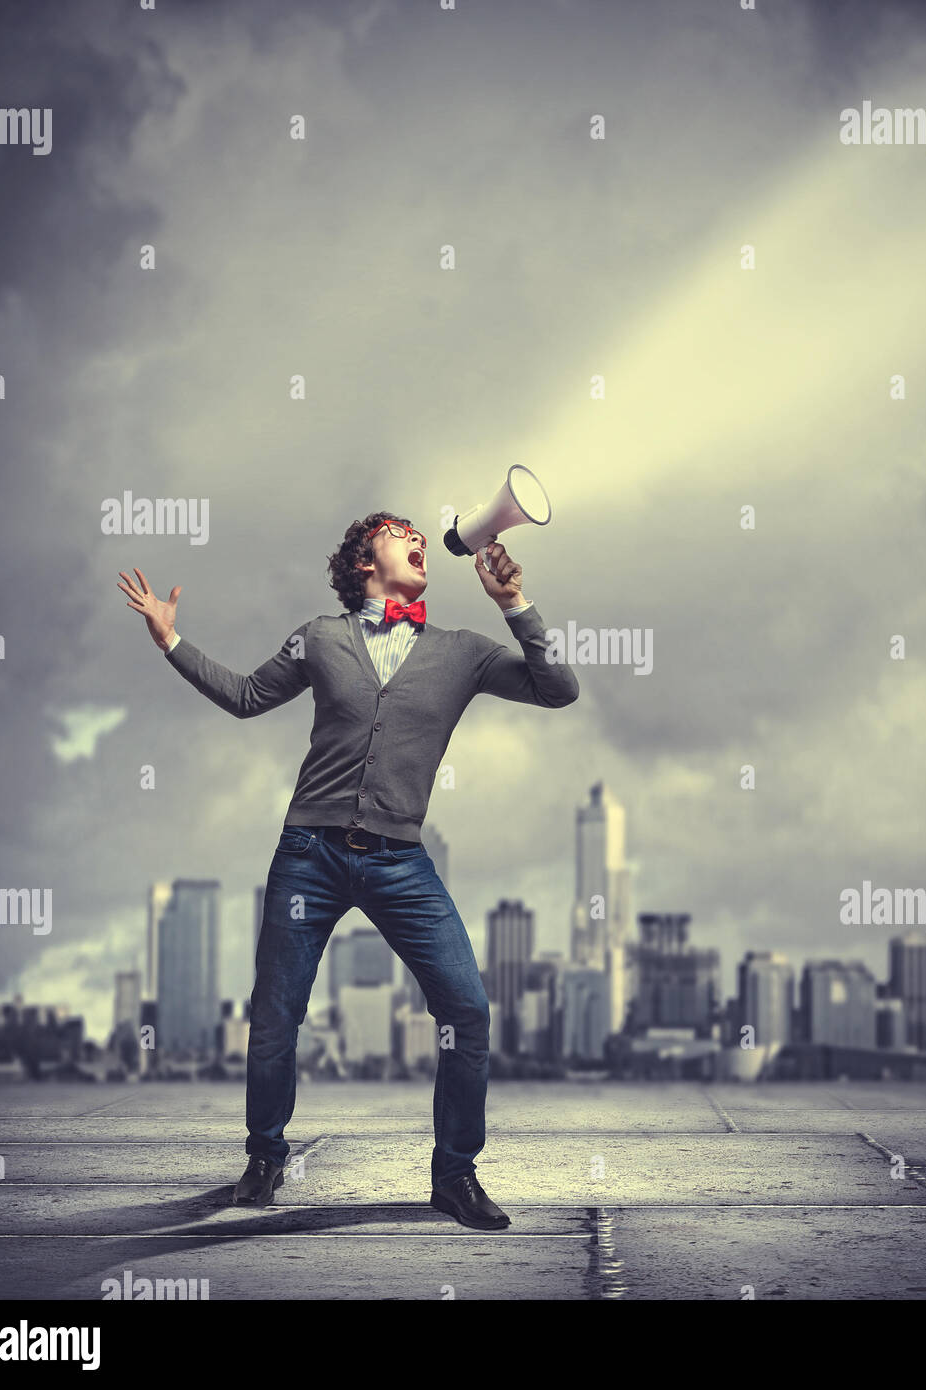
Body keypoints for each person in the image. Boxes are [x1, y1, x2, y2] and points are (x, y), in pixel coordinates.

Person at [117, 511, 579, 1230]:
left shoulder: (463, 651)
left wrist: (513, 604)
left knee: (468, 1011)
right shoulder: (319, 637)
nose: (418, 538)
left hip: (402, 862)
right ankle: (265, 1156)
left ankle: (454, 1177)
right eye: (400, 533)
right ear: (365, 561)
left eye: (420, 535)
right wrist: (169, 639)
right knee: (275, 1014)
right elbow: (245, 697)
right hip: (309, 855)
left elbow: (559, 688)